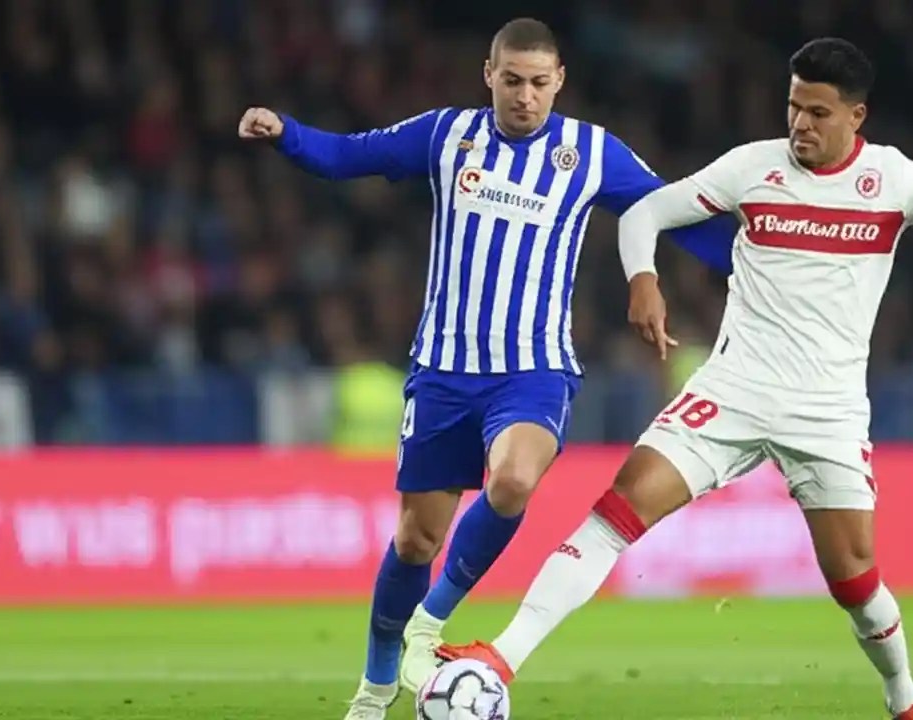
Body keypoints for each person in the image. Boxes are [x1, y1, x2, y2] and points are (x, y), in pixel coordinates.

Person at [436, 37, 913, 720]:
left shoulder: (898, 183)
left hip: (829, 411)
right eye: (793, 106)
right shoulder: (754, 167)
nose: (800, 124)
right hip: (732, 391)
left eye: (817, 112)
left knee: (854, 578)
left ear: (857, 116)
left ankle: (905, 699)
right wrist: (644, 279)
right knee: (618, 511)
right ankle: (500, 659)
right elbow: (646, 212)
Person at [238, 17, 737, 720]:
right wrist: (285, 132)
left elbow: (677, 219)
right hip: (443, 371)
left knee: (512, 479)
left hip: (534, 370)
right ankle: (377, 688)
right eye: (512, 81)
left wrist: (765, 256)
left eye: (539, 83)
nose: (526, 97)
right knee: (416, 537)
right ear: (489, 75)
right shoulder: (447, 136)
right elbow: (351, 155)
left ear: (559, 80)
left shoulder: (593, 153)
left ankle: (429, 621)